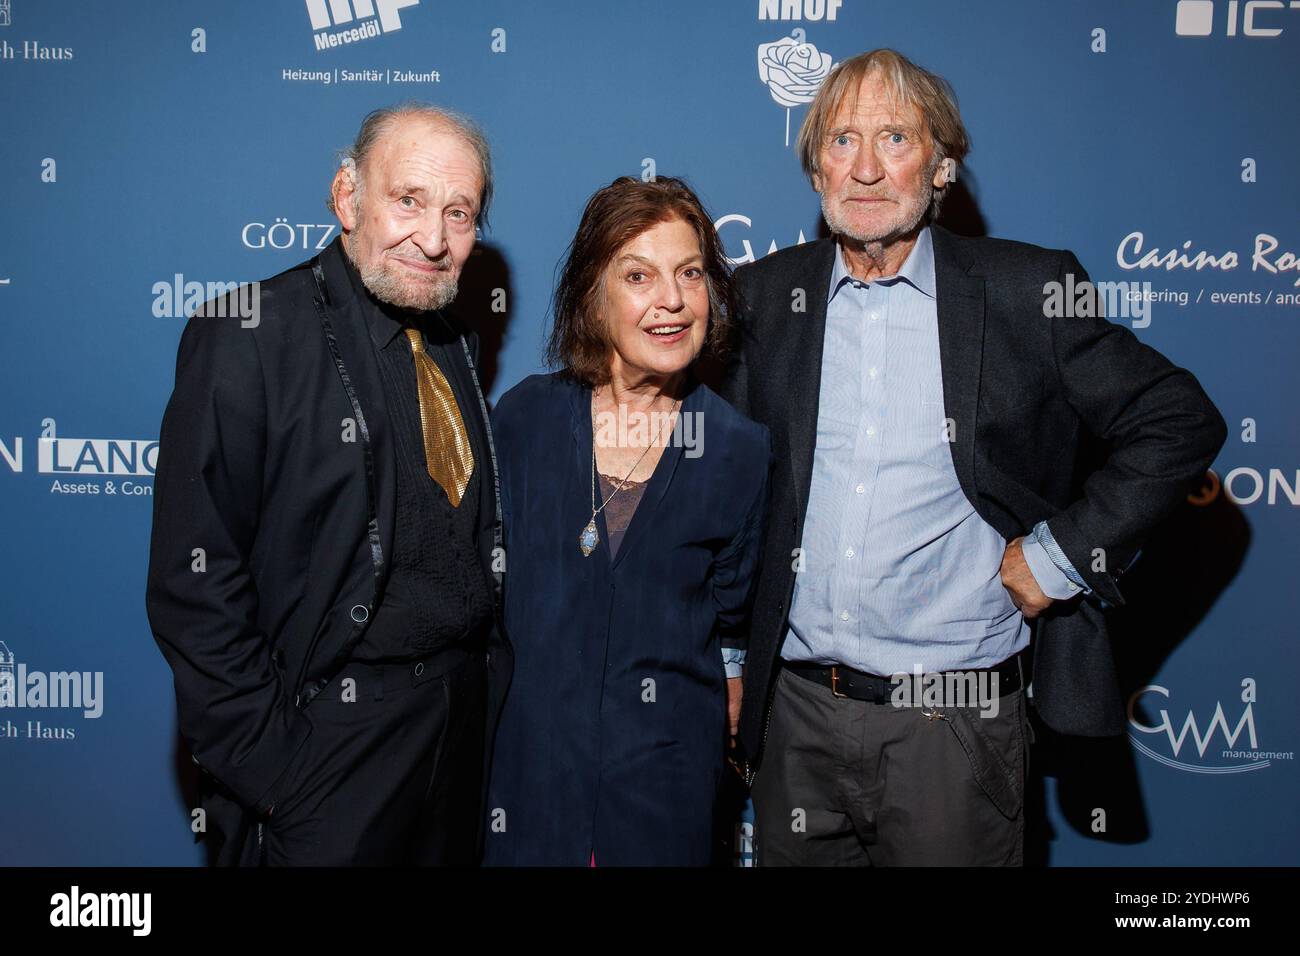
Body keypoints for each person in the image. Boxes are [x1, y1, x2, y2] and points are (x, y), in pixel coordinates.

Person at [721, 49, 1227, 866]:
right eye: (842, 140)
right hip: (798, 716)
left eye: (895, 137)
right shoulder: (764, 299)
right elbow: (731, 496)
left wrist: (1060, 555)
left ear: (942, 164)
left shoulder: (1028, 289)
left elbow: (1178, 421)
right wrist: (732, 658)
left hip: (951, 725)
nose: (867, 168)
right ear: (816, 166)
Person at [146, 103, 512, 865]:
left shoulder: (451, 339)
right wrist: (280, 771)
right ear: (347, 198)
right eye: (407, 200)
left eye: (459, 213)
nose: (434, 239)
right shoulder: (248, 335)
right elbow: (195, 585)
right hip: (332, 747)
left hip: (457, 731)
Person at [484, 176, 771, 866]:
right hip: (525, 777)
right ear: (594, 294)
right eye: (638, 275)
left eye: (691, 273)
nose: (671, 301)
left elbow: (732, 616)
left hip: (662, 785)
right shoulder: (526, 419)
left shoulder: (736, 447)